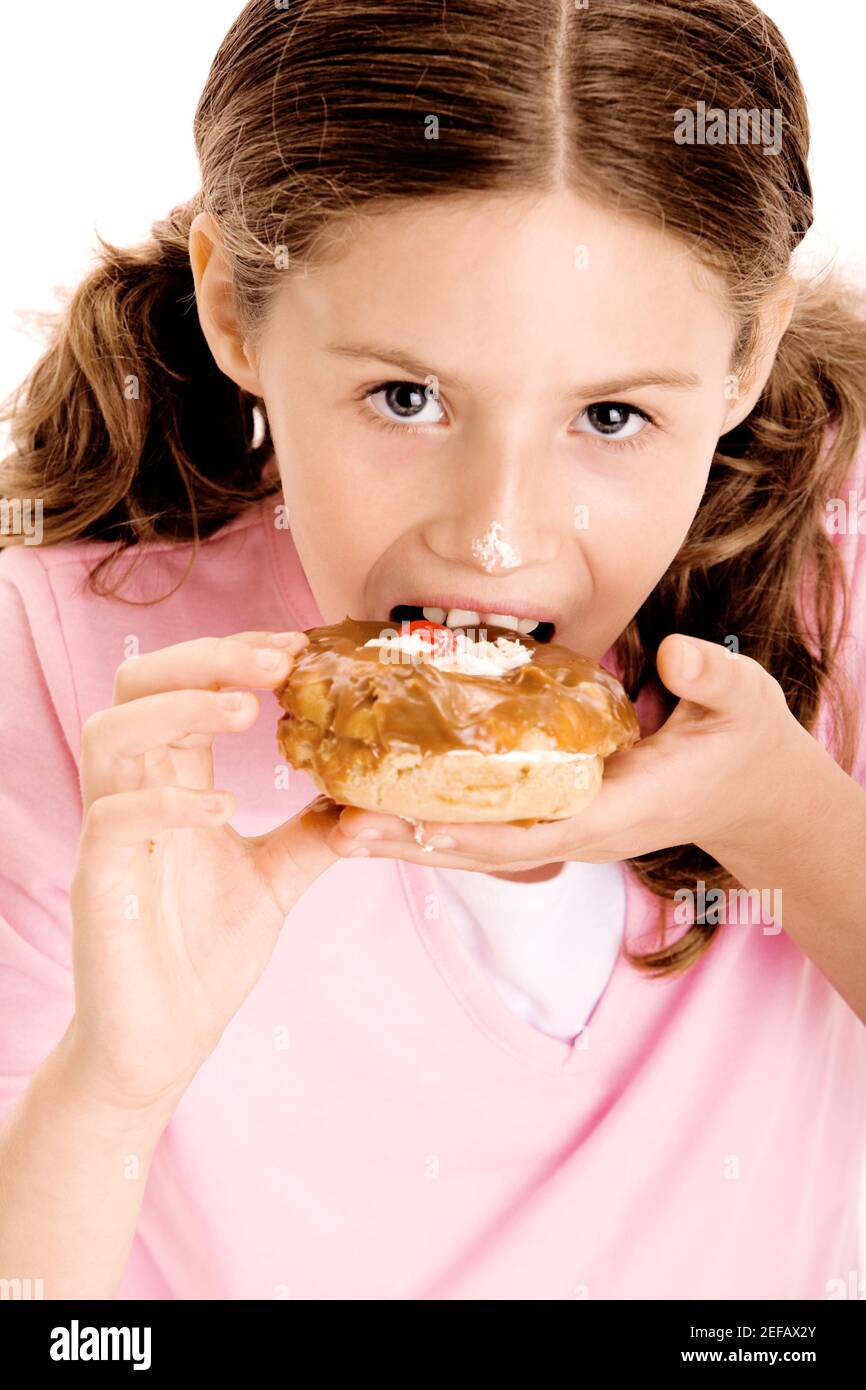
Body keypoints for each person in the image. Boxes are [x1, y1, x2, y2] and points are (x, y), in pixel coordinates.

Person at [1, 0, 865, 1300]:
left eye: (612, 414)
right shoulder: (70, 661)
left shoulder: (829, 578)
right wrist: (108, 1092)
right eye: (406, 397)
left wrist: (781, 818)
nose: (497, 539)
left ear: (742, 355)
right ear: (235, 306)